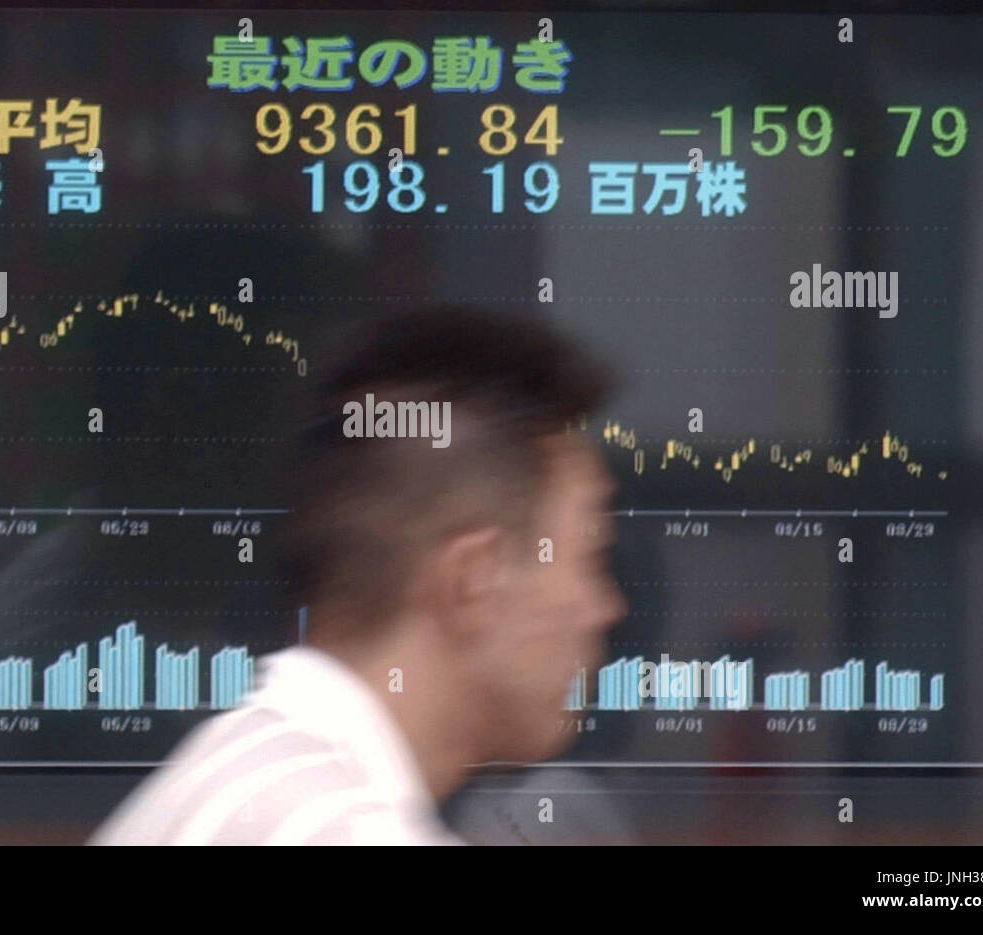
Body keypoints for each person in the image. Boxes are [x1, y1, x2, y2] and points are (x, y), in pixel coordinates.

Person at [91, 306, 627, 845]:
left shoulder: (240, 769)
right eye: (588, 558)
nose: (606, 608)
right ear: (473, 581)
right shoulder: (347, 831)